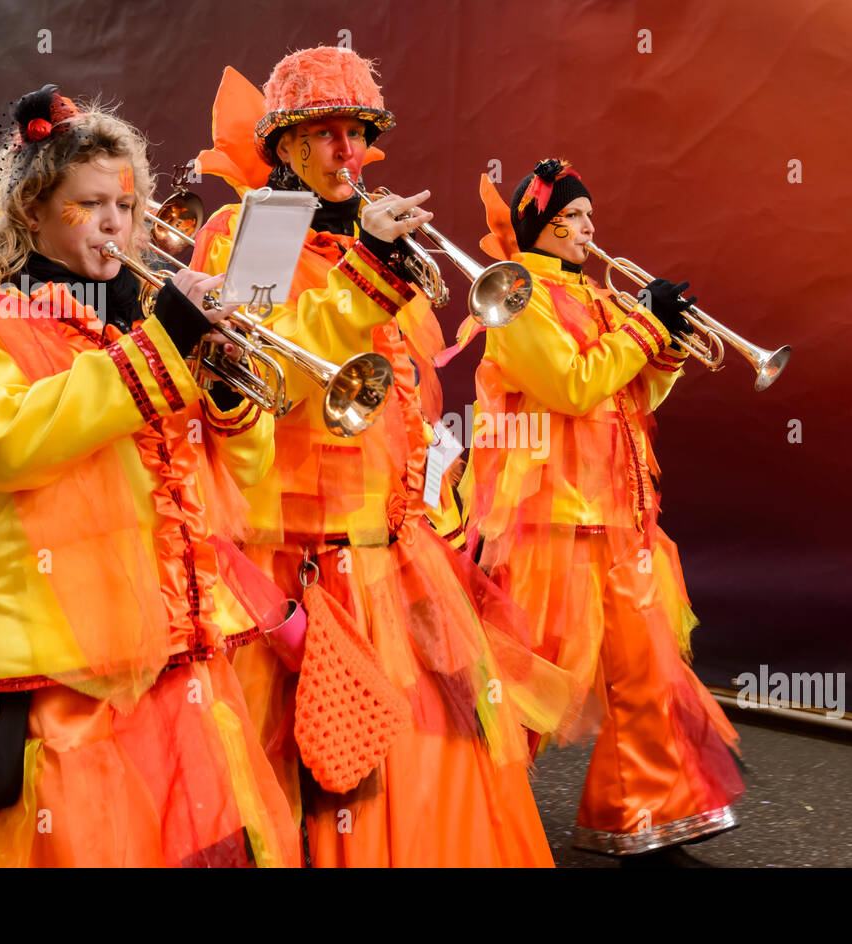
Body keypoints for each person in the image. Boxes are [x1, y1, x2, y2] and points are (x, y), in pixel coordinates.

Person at [0, 84, 320, 867]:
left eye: (127, 204)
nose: (116, 223)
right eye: (90, 204)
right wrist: (159, 351)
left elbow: (237, 487)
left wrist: (224, 395)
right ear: (32, 208)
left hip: (173, 669)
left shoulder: (134, 325)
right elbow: (10, 442)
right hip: (55, 686)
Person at [190, 48, 570, 866]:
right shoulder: (252, 230)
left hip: (392, 540)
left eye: (358, 134)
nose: (348, 151)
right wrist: (363, 269)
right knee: (306, 771)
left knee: (430, 753)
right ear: (286, 144)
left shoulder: (372, 229)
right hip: (299, 548)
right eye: (327, 133)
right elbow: (263, 373)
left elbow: (404, 392)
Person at [460, 158, 745, 863]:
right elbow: (572, 385)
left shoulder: (596, 295)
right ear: (546, 224)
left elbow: (633, 396)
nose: (592, 227)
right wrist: (645, 328)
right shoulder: (516, 295)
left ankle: (646, 826)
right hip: (548, 521)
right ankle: (469, 823)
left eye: (590, 215)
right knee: (524, 683)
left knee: (645, 675)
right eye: (577, 216)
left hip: (620, 516)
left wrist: (666, 347)